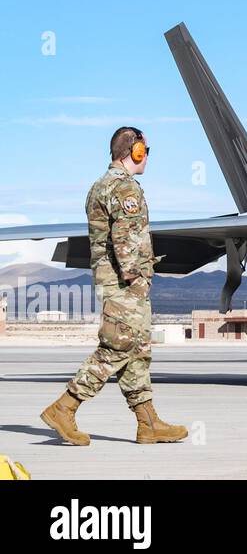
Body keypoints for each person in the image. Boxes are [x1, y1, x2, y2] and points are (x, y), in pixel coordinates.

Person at [39, 127, 188, 446]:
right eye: (146, 150)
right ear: (134, 152)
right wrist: (136, 279)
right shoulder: (124, 188)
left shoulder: (100, 185)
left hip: (114, 280)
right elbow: (125, 240)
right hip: (125, 284)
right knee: (117, 346)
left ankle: (147, 422)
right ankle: (65, 407)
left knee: (137, 350)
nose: (147, 156)